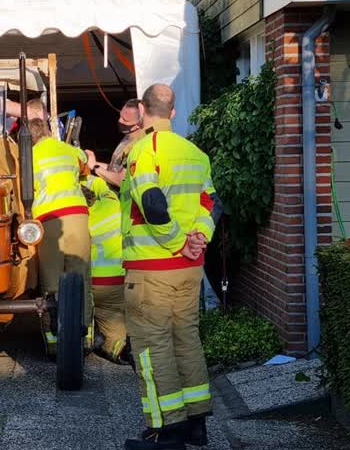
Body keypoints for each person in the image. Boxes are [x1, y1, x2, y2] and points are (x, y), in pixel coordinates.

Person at [121, 84, 223, 450]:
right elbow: (211, 203)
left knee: (152, 348)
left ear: (141, 109)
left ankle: (167, 429)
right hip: (190, 268)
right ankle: (197, 424)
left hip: (153, 268)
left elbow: (152, 205)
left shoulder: (143, 151)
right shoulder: (195, 153)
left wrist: (177, 240)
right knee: (186, 341)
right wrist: (199, 238)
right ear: (174, 112)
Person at [29, 118, 92, 348]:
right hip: (77, 214)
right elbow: (86, 166)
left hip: (48, 220)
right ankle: (83, 335)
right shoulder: (69, 150)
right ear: (48, 131)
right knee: (80, 273)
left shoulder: (28, 157)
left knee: (51, 280)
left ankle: (54, 340)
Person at [81, 175, 128, 364]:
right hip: (126, 278)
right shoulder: (111, 204)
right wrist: (86, 171)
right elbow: (103, 187)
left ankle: (119, 348)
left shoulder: (78, 221)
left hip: (98, 286)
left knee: (112, 329)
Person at [85, 99, 147, 188]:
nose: (120, 121)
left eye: (125, 120)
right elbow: (114, 169)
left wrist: (95, 167)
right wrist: (89, 161)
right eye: (120, 116)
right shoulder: (127, 138)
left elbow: (121, 180)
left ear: (138, 124)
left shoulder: (140, 146)